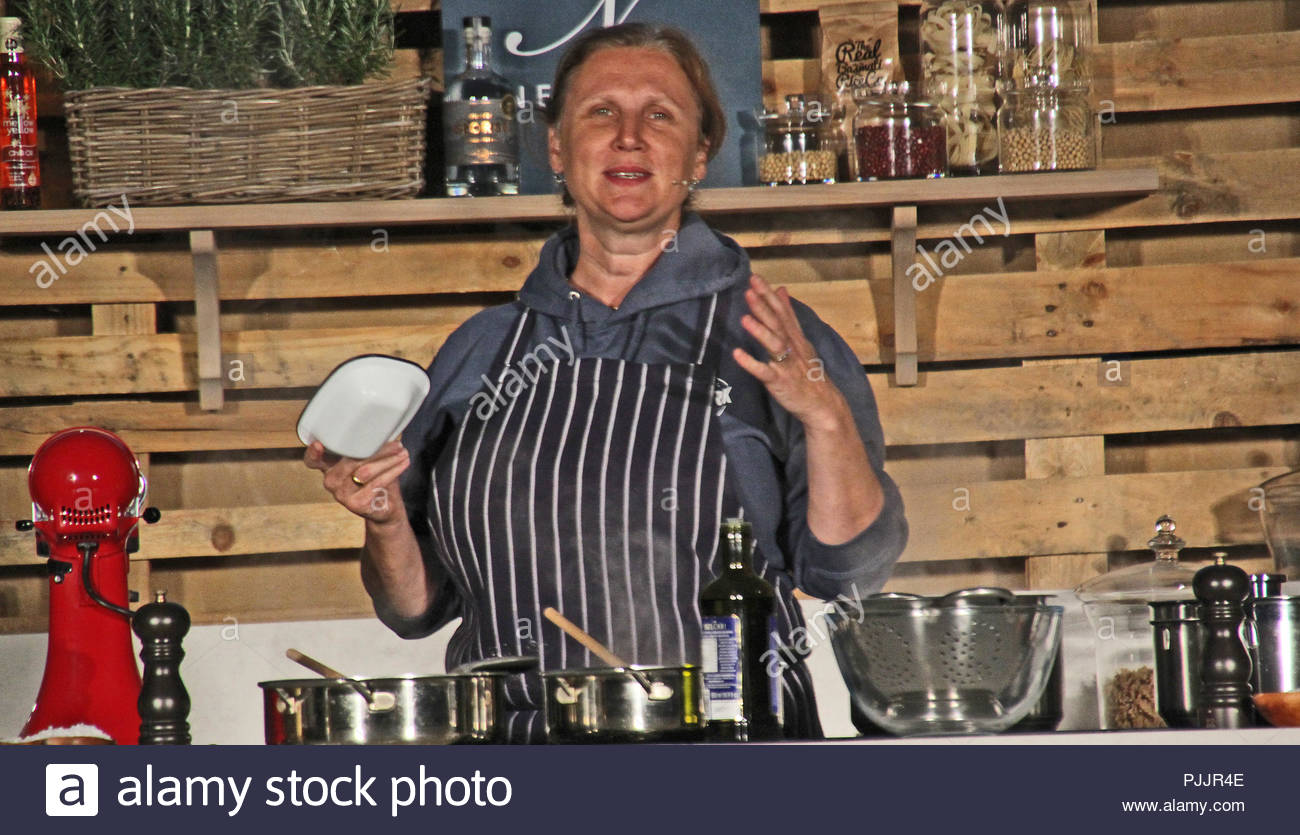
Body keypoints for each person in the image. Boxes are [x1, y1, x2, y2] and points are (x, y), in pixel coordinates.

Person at [305, 22, 907, 742]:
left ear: (701, 154)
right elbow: (415, 608)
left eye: (660, 115)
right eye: (601, 112)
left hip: (725, 748)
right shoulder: (480, 351)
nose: (629, 137)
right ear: (557, 148)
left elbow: (848, 577)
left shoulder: (774, 336)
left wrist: (828, 418)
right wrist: (384, 522)